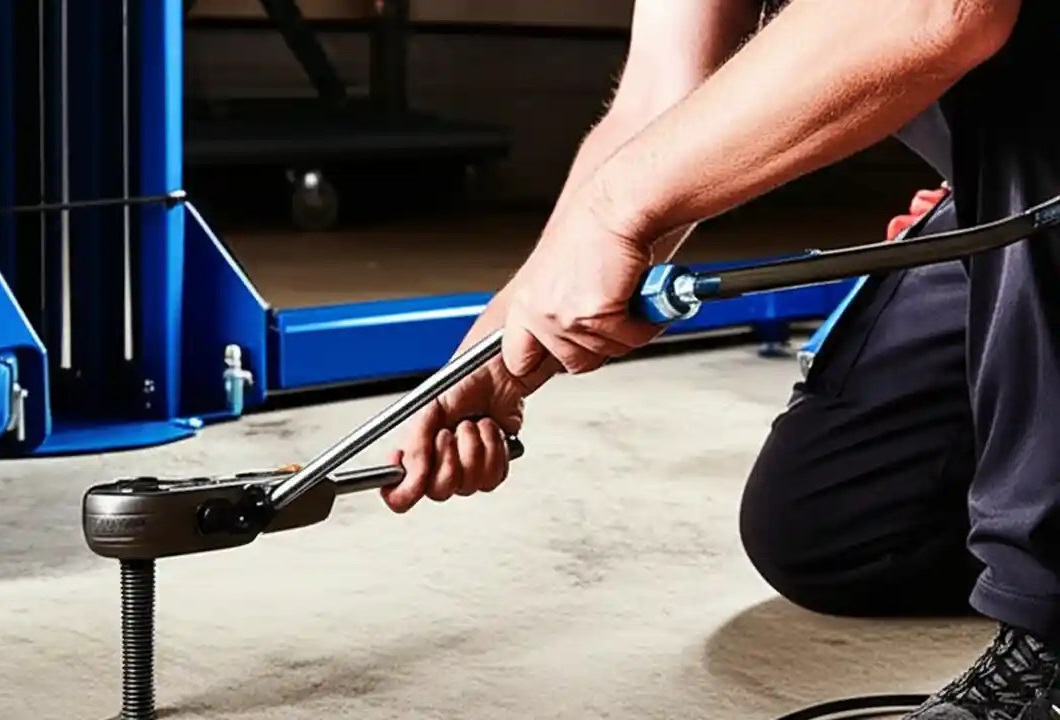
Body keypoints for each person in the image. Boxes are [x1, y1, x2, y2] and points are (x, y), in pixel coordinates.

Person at [381, 1, 1060, 718]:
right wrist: (494, 353)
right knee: (843, 530)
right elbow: (663, 99)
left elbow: (944, 9)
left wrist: (614, 211)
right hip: (1022, 191)